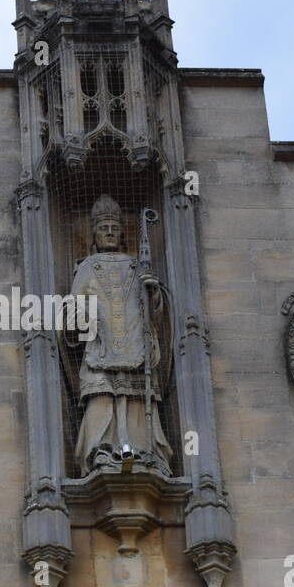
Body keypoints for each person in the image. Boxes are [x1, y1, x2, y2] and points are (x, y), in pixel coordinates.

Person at [68, 194, 173, 474]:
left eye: (115, 228)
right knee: (102, 398)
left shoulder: (138, 265)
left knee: (136, 401)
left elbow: (155, 312)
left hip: (135, 343)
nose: (111, 233)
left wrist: (153, 291)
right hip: (100, 346)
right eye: (104, 229)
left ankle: (142, 450)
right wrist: (83, 316)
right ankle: (100, 450)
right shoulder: (87, 266)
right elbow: (72, 307)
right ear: (94, 234)